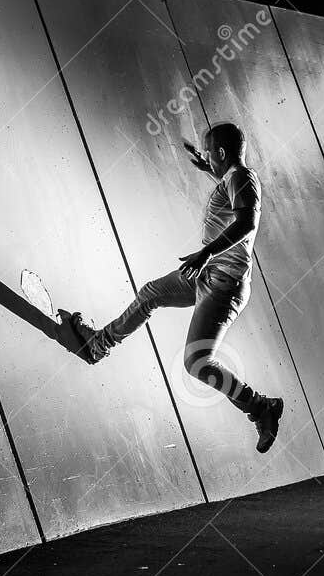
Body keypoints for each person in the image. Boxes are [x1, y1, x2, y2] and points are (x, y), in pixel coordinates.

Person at [58, 122, 284, 453]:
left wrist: (207, 251)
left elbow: (247, 221)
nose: (208, 158)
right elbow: (233, 197)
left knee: (196, 362)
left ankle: (260, 407)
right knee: (152, 293)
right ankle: (98, 345)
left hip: (223, 285)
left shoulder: (241, 178)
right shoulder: (233, 177)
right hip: (210, 275)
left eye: (211, 154)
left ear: (221, 153)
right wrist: (209, 168)